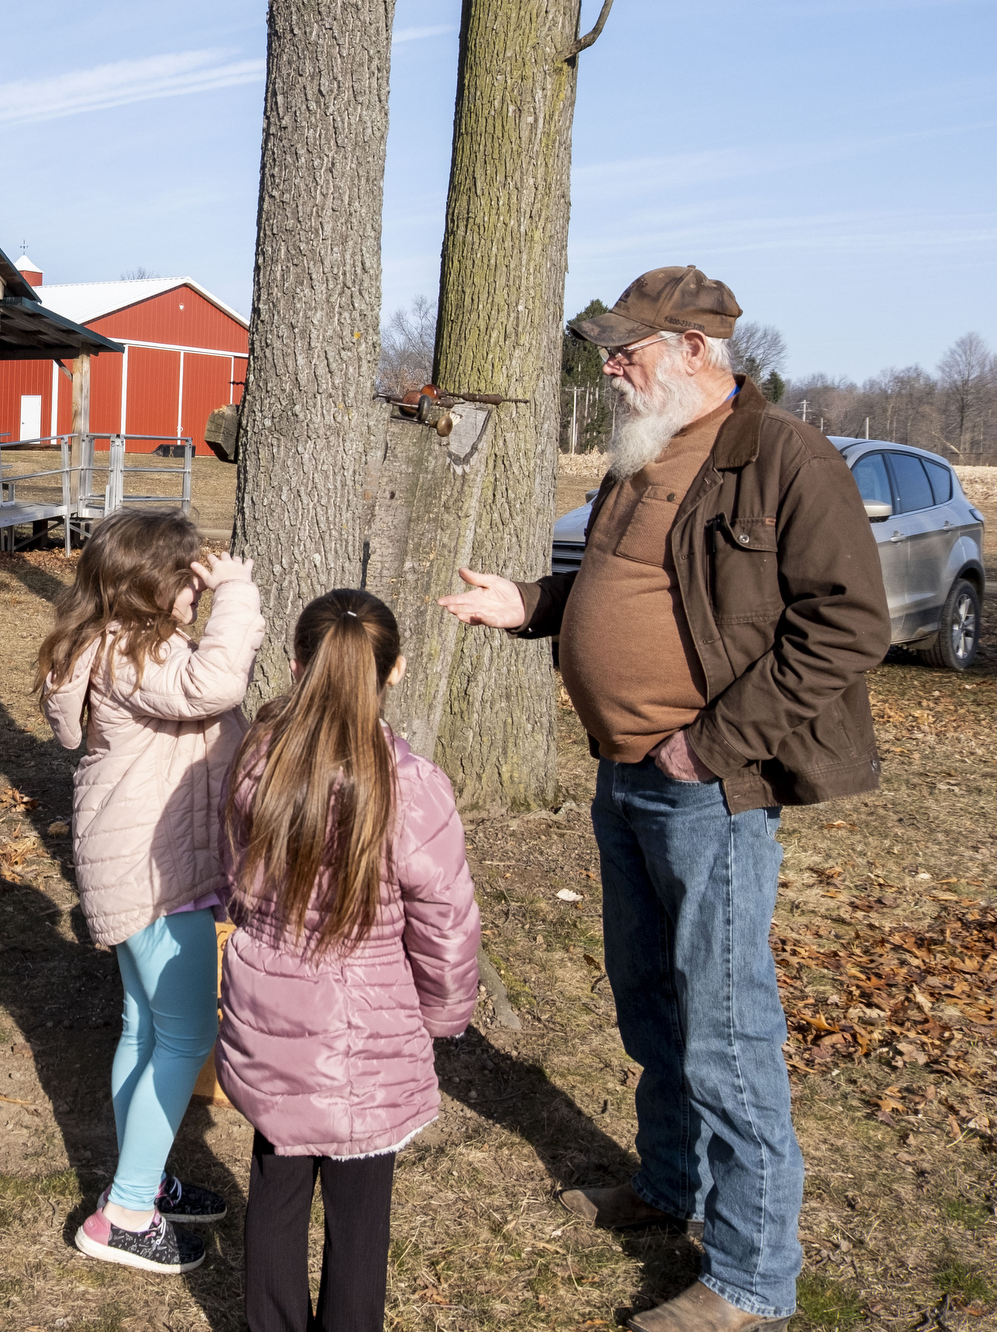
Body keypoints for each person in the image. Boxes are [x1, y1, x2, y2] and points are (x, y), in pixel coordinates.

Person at [439, 266, 889, 1332]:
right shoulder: (640, 454)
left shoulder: (781, 457)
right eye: (606, 347)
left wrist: (709, 745)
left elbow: (845, 624)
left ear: (696, 348)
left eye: (628, 348)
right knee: (649, 1004)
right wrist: (530, 604)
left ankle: (748, 1278)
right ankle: (669, 1186)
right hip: (624, 774)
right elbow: (621, 589)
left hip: (708, 789)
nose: (609, 365)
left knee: (724, 1031)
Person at [216, 591, 480, 1332]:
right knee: (361, 1218)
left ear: (297, 666)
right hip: (369, 1036)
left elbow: (232, 874)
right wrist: (441, 1014)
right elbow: (447, 924)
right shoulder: (411, 789)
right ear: (393, 672)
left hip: (270, 1012)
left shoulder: (254, 763)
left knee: (276, 1186)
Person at [36, 508, 264, 1275]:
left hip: (137, 864)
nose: (197, 585)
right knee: (189, 1036)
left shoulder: (109, 641)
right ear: (150, 584)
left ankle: (145, 1174)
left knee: (145, 1029)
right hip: (159, 875)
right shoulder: (138, 648)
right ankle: (125, 1214)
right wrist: (236, 593)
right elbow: (215, 683)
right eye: (187, 575)